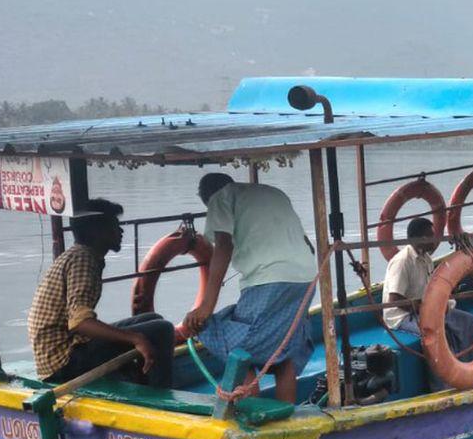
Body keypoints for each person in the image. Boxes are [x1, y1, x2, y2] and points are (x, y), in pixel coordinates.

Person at [183, 173, 318, 404]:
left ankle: (252, 408)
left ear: (207, 198)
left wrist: (206, 306)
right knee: (283, 350)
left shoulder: (219, 198)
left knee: (234, 346)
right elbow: (308, 245)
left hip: (269, 280)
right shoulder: (273, 192)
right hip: (305, 277)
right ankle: (287, 412)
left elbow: (223, 247)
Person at [28, 198, 176, 388]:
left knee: (152, 318)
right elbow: (80, 323)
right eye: (115, 226)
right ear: (97, 231)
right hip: (62, 361)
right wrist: (135, 338)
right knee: (162, 329)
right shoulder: (84, 261)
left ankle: (142, 380)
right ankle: (161, 396)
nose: (121, 231)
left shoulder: (79, 254)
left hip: (62, 348)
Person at [384, 217, 473, 355]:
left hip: (425, 309)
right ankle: (446, 373)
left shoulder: (427, 259)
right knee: (439, 331)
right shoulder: (402, 261)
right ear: (420, 239)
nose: (435, 239)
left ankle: (472, 363)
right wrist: (427, 309)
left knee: (467, 320)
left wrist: (440, 305)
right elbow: (394, 299)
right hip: (402, 316)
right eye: (431, 236)